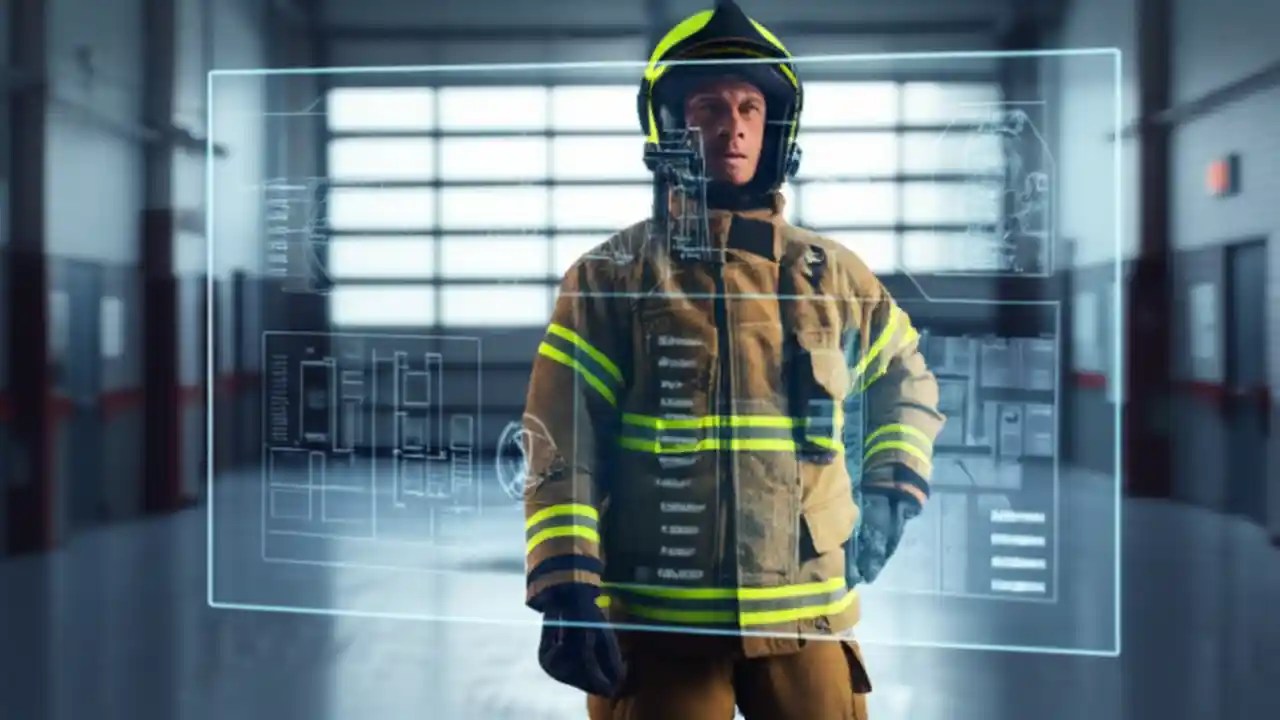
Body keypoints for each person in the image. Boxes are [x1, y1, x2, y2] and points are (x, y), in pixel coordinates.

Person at [521, 2, 945, 717]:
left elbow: (905, 380)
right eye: (708, 107)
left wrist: (890, 490)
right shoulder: (612, 278)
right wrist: (564, 582)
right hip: (661, 622)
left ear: (777, 127)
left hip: (807, 614)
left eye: (750, 107)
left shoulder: (833, 275)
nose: (733, 126)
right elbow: (562, 434)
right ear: (668, 126)